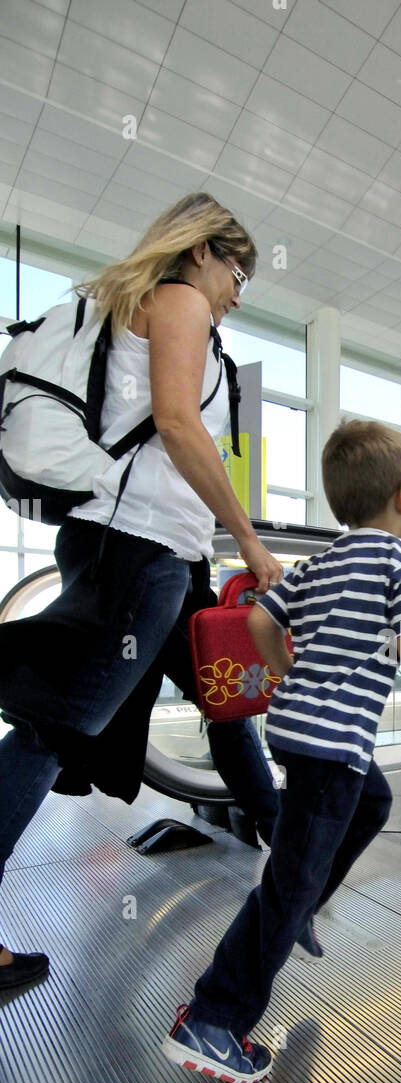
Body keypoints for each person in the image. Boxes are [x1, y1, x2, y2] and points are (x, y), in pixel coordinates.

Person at [0, 192, 284, 991]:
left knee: (226, 700)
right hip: (141, 554)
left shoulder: (145, 306)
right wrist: (251, 540)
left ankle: (295, 855)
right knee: (54, 728)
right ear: (202, 253)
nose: (236, 292)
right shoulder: (181, 299)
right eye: (238, 272)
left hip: (162, 554)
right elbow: (178, 422)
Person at [162, 419, 401, 1083]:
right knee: (284, 887)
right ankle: (214, 1019)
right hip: (332, 744)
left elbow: (258, 620)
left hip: (292, 731)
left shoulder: (322, 563)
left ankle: (305, 900)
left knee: (372, 801)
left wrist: (281, 671)